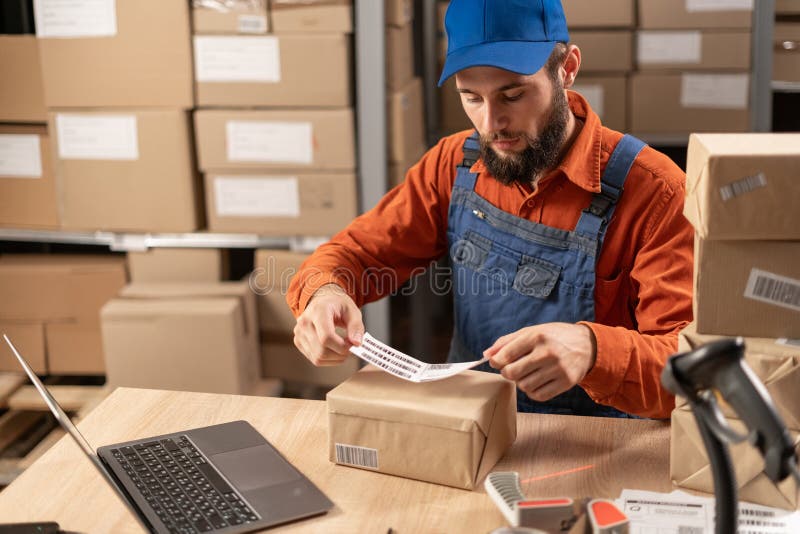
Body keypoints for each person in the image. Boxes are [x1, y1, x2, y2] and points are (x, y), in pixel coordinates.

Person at [286, 0, 693, 418]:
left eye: (512, 95)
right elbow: (352, 255)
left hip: (595, 444)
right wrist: (324, 293)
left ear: (567, 68)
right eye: (471, 98)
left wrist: (594, 350)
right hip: (471, 426)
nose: (491, 123)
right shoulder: (454, 163)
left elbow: (693, 369)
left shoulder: (654, 193)